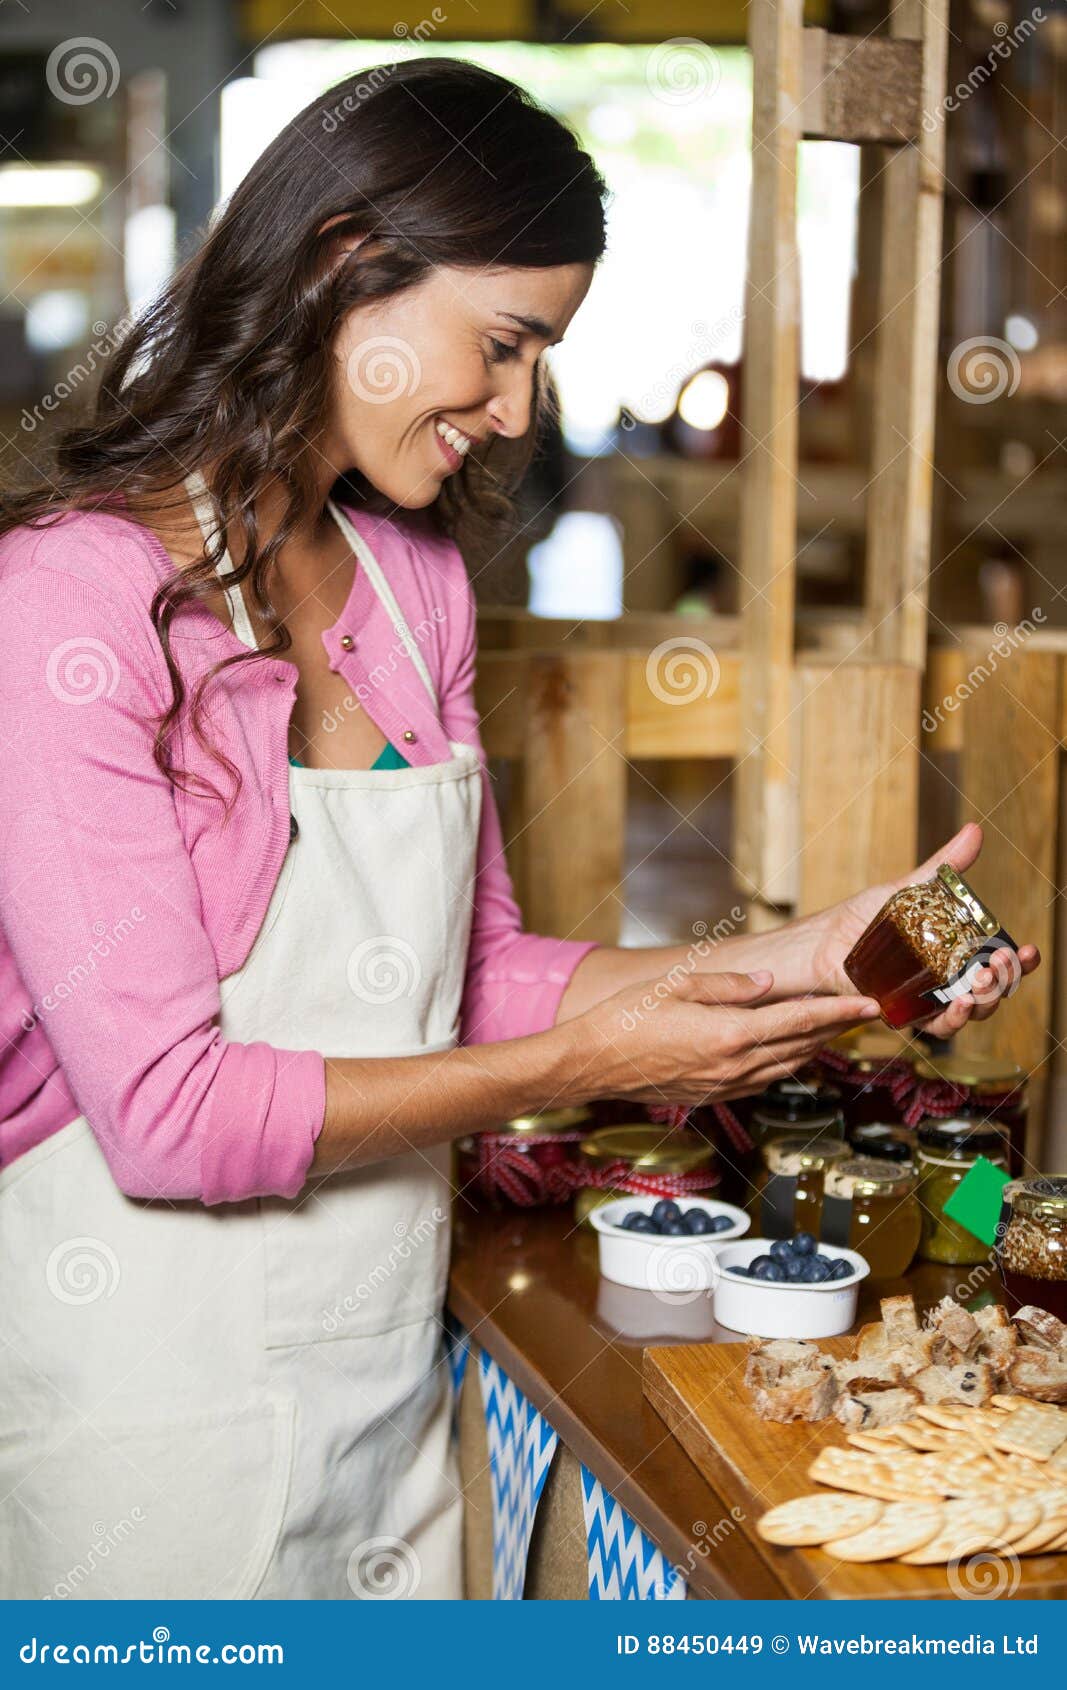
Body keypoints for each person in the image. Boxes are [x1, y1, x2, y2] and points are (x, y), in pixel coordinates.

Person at [0, 58, 1037, 1601]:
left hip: (381, 1394)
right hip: (140, 1416)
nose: (517, 410)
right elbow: (166, 1114)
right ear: (348, 266)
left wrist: (807, 961)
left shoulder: (411, 596)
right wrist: (594, 1067)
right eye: (503, 344)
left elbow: (463, 977)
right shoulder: (66, 610)